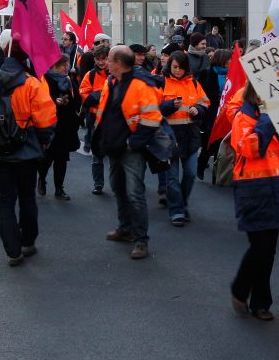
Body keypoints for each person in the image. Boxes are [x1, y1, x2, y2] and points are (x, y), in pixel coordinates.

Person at [0, 36, 57, 266]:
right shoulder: (31, 83)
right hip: (26, 147)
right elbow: (46, 118)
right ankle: (28, 242)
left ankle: (12, 251)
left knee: (5, 201)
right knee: (27, 197)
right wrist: (45, 140)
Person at [229, 82, 279, 321]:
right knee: (260, 248)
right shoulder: (243, 116)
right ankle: (241, 290)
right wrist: (268, 119)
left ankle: (261, 302)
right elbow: (250, 149)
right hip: (254, 190)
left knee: (268, 251)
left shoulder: (278, 114)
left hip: (278, 187)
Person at [92, 45, 164, 260]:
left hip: (131, 149)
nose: (106, 63)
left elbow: (152, 118)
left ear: (120, 64)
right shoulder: (112, 81)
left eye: (110, 60)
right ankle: (125, 229)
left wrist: (134, 143)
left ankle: (141, 240)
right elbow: (105, 113)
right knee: (118, 189)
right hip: (114, 147)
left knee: (135, 194)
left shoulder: (141, 85)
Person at [160, 52, 210, 226]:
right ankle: (177, 210)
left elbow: (205, 102)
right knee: (172, 177)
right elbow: (154, 108)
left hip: (191, 135)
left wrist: (198, 109)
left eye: (181, 67)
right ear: (169, 66)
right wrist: (168, 106)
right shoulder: (161, 82)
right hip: (169, 136)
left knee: (190, 173)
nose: (178, 71)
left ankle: (181, 202)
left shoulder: (194, 82)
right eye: (175, 67)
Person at [39, 56, 80, 199]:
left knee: (62, 159)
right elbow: (42, 100)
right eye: (63, 65)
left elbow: (77, 98)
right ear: (54, 66)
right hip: (51, 125)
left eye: (67, 65)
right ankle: (42, 180)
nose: (66, 68)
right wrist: (55, 102)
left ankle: (59, 189)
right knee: (47, 158)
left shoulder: (68, 80)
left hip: (65, 125)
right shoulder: (45, 79)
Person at [79, 45, 109, 193]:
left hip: (112, 118)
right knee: (97, 155)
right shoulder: (90, 75)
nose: (101, 62)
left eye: (104, 59)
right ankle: (98, 184)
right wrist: (101, 95)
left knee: (115, 154)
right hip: (95, 118)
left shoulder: (116, 74)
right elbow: (85, 96)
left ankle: (117, 183)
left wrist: (97, 95)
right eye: (98, 59)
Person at [196, 47, 230, 180]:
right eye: (229, 59)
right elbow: (200, 93)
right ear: (221, 60)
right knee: (208, 143)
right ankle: (201, 163)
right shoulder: (206, 73)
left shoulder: (232, 74)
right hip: (210, 114)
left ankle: (218, 174)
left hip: (225, 114)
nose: (231, 62)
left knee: (221, 143)